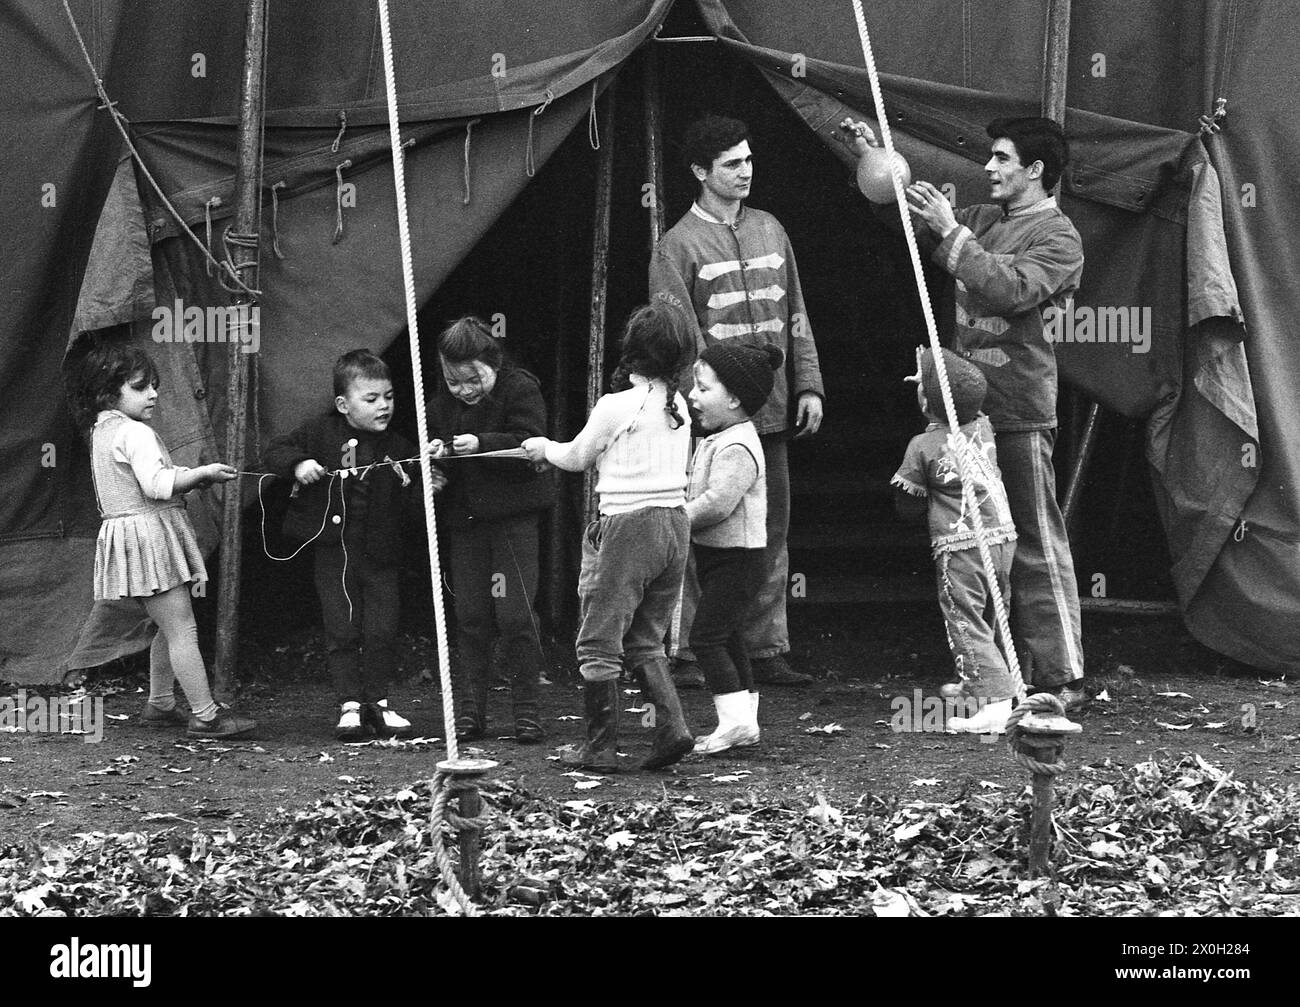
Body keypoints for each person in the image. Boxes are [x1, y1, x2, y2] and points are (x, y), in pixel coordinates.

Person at [843, 115, 1087, 710]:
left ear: (1036, 170)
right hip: (965, 416)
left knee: (1032, 537)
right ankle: (995, 676)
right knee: (976, 544)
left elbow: (1011, 290)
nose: (988, 168)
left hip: (1019, 410)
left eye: (1002, 158)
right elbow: (905, 225)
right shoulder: (981, 220)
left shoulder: (1059, 237)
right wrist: (873, 162)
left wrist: (952, 232)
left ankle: (1061, 676)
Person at [650, 115, 825, 689]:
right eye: (732, 163)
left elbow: (796, 312)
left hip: (772, 412)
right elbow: (677, 340)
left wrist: (808, 384)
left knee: (769, 530)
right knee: (699, 528)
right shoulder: (676, 246)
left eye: (749, 159)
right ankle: (690, 652)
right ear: (700, 172)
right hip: (709, 421)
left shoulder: (772, 229)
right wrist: (698, 407)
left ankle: (766, 647)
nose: (745, 171)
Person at [521, 300, 695, 773]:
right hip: (675, 524)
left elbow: (577, 457)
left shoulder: (615, 406)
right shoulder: (678, 405)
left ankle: (599, 748)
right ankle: (672, 729)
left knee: (598, 640)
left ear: (631, 350)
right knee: (646, 638)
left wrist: (542, 447)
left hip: (629, 527)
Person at [68, 340, 255, 738]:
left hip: (127, 537)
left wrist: (186, 474)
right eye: (140, 386)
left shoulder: (102, 431)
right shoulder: (135, 432)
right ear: (107, 392)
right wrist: (202, 474)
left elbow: (144, 478)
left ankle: (161, 703)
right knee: (183, 629)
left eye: (153, 385)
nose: (152, 393)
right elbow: (156, 485)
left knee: (166, 626)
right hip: (149, 538)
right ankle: (206, 716)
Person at [264, 349, 418, 740]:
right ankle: (350, 705)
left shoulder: (400, 445)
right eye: (372, 399)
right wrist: (299, 464)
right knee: (342, 627)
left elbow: (413, 503)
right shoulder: (319, 432)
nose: (384, 406)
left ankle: (378, 703)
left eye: (389, 396)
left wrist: (428, 485)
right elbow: (275, 451)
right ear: (343, 404)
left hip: (381, 553)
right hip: (335, 552)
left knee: (382, 629)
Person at [425, 316, 554, 744]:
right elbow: (440, 457)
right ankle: (470, 712)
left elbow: (532, 445)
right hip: (467, 523)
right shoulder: (440, 405)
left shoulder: (521, 388)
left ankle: (528, 712)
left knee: (515, 615)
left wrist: (482, 444)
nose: (463, 390)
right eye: (453, 382)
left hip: (513, 521)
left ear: (493, 362)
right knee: (471, 617)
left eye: (472, 379)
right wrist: (437, 465)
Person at [892, 347, 1018, 733]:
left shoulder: (922, 446)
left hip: (961, 546)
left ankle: (996, 707)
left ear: (926, 402)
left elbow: (906, 507)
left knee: (964, 619)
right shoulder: (983, 427)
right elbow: (965, 399)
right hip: (1002, 540)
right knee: (993, 613)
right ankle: (982, 684)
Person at [686, 342, 783, 754]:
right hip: (722, 557)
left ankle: (734, 722)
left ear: (734, 399)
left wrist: (676, 517)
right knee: (727, 635)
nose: (693, 395)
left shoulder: (737, 445)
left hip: (737, 559)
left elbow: (717, 503)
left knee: (705, 638)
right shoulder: (721, 436)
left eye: (703, 388)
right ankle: (745, 722)